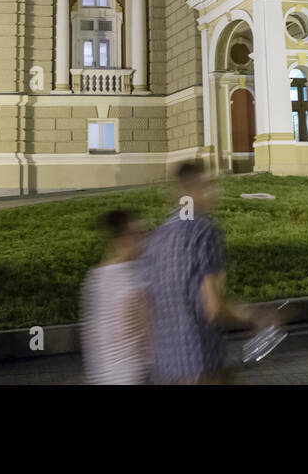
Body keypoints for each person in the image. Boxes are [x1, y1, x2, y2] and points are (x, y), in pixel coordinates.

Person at [143, 163, 269, 383]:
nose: (217, 192)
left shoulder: (157, 236)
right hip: (201, 362)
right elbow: (214, 306)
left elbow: (147, 308)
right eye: (211, 185)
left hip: (164, 367)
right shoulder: (204, 231)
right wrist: (255, 316)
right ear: (197, 189)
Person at [80, 210, 149, 384]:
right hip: (130, 375)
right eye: (139, 234)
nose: (145, 239)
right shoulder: (131, 276)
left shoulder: (96, 276)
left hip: (104, 375)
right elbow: (141, 326)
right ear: (124, 239)